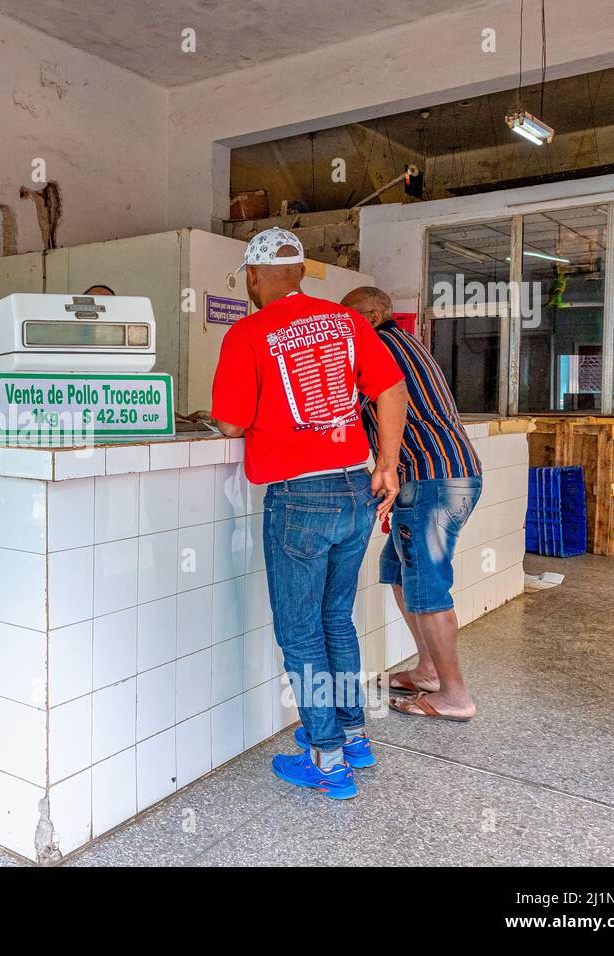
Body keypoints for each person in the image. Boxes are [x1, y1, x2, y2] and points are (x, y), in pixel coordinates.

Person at [212, 228, 408, 800]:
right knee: (335, 621)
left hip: (299, 499)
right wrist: (388, 465)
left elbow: (228, 424)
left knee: (300, 633)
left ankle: (324, 759)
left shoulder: (248, 333)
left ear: (252, 277)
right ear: (300, 274)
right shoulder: (347, 322)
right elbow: (391, 390)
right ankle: (352, 738)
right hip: (356, 488)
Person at [341, 286, 483, 722]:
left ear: (378, 313)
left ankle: (454, 697)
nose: (347, 326)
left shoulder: (379, 345)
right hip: (448, 474)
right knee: (400, 571)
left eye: (354, 316)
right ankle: (427, 671)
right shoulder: (408, 343)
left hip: (431, 480)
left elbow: (356, 405)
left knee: (426, 586)